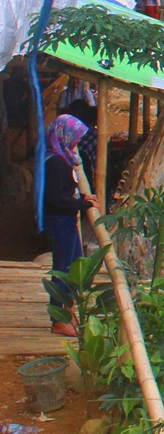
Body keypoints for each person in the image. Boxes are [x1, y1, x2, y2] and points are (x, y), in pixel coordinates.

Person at [42, 114, 98, 337]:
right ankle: (58, 319)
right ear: (64, 136)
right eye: (73, 138)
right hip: (59, 220)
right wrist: (83, 204)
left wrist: (82, 197)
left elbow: (65, 191)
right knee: (63, 269)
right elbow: (56, 198)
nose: (75, 143)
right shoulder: (55, 163)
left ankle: (68, 310)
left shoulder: (61, 158)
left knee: (74, 263)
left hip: (65, 219)